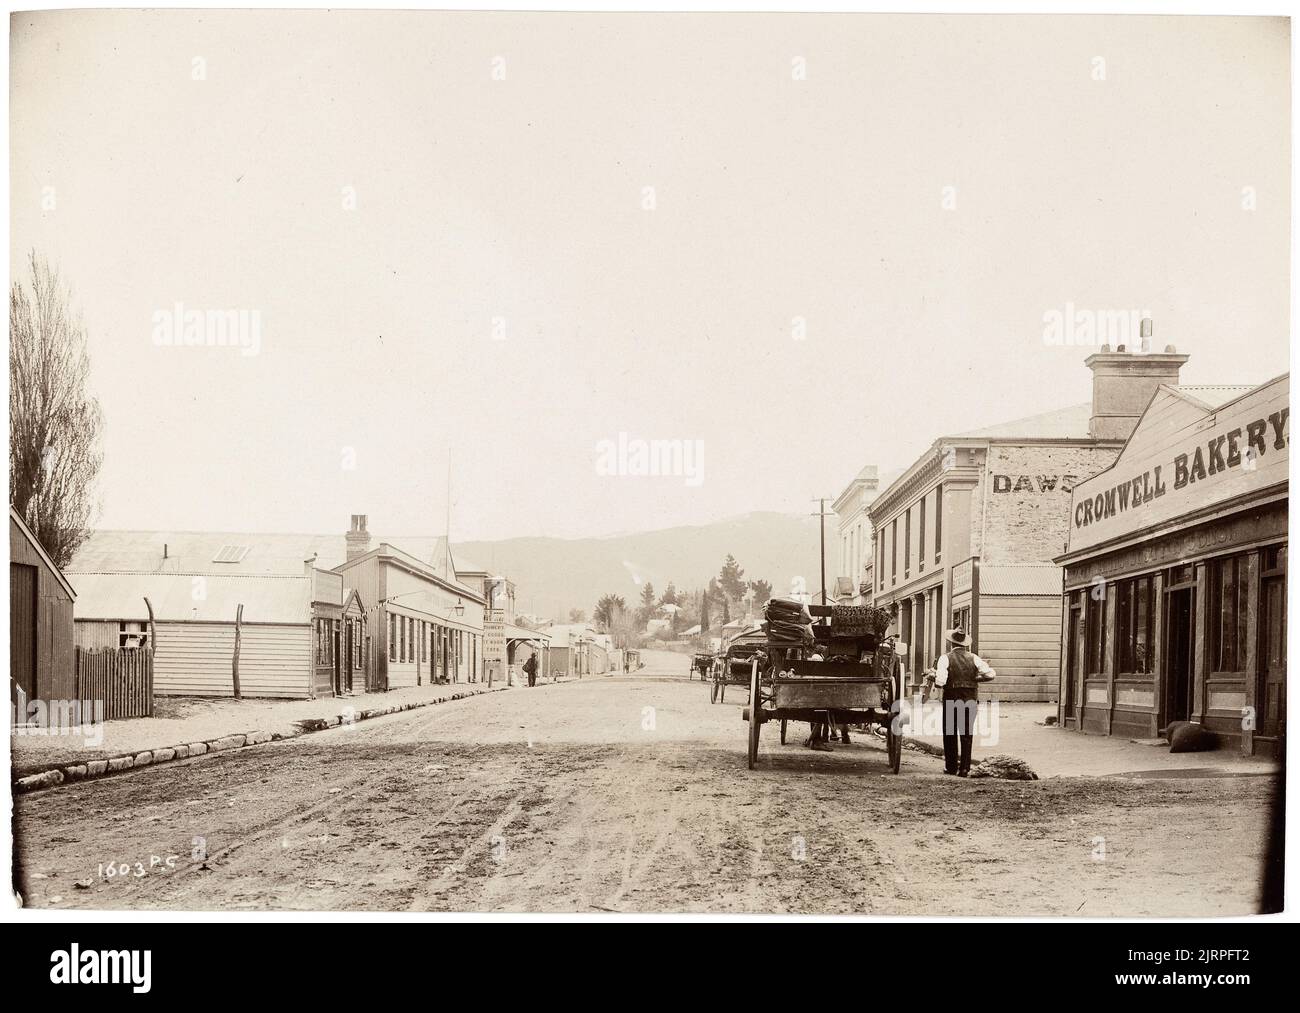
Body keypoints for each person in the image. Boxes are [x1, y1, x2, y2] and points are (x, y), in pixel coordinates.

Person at [933, 628, 995, 776]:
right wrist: (977, 679)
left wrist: (935, 680)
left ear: (950, 643)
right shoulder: (974, 658)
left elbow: (941, 681)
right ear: (965, 644)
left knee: (950, 732)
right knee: (967, 733)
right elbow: (991, 674)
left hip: (951, 698)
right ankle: (965, 768)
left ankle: (951, 767)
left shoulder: (945, 658)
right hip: (969, 698)